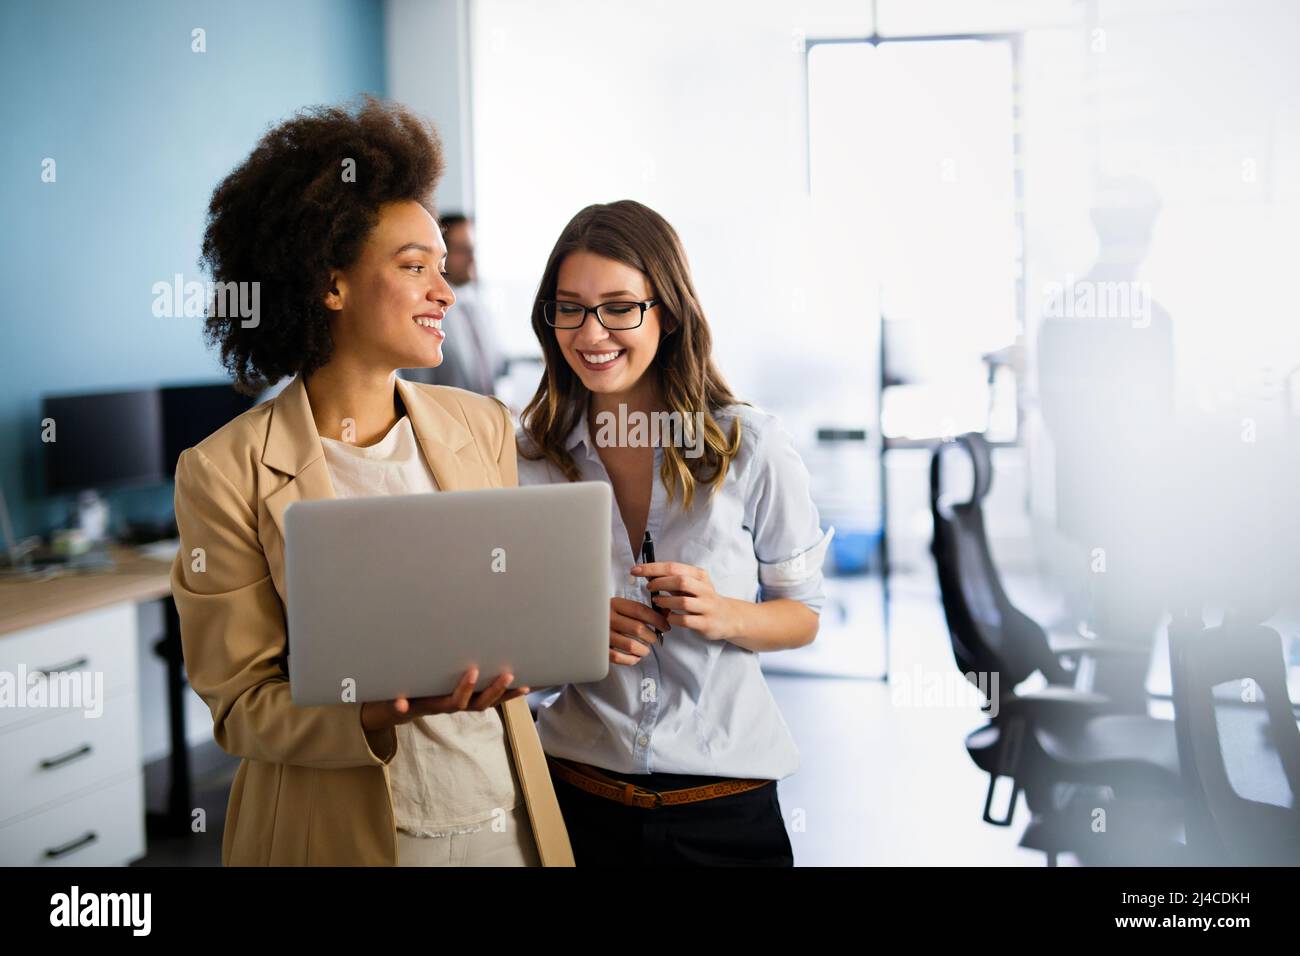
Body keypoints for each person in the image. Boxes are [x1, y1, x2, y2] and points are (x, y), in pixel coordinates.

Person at [171, 96, 571, 866]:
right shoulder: (221, 472)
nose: (445, 294)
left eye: (443, 270)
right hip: (349, 835)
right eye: (416, 268)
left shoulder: (481, 425)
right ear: (331, 286)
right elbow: (240, 706)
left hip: (502, 816)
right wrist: (377, 714)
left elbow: (504, 608)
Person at [515, 199, 833, 865]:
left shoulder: (751, 446)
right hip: (574, 801)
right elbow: (499, 632)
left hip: (724, 807)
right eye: (569, 306)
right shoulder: (531, 457)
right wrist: (570, 631)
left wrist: (725, 616)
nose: (592, 330)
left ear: (668, 312)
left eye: (620, 306)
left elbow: (802, 616)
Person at [400, 213, 506, 395]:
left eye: (473, 250)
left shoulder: (480, 307)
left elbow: (499, 367)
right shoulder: (424, 310)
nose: (472, 258)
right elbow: (418, 385)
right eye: (463, 250)